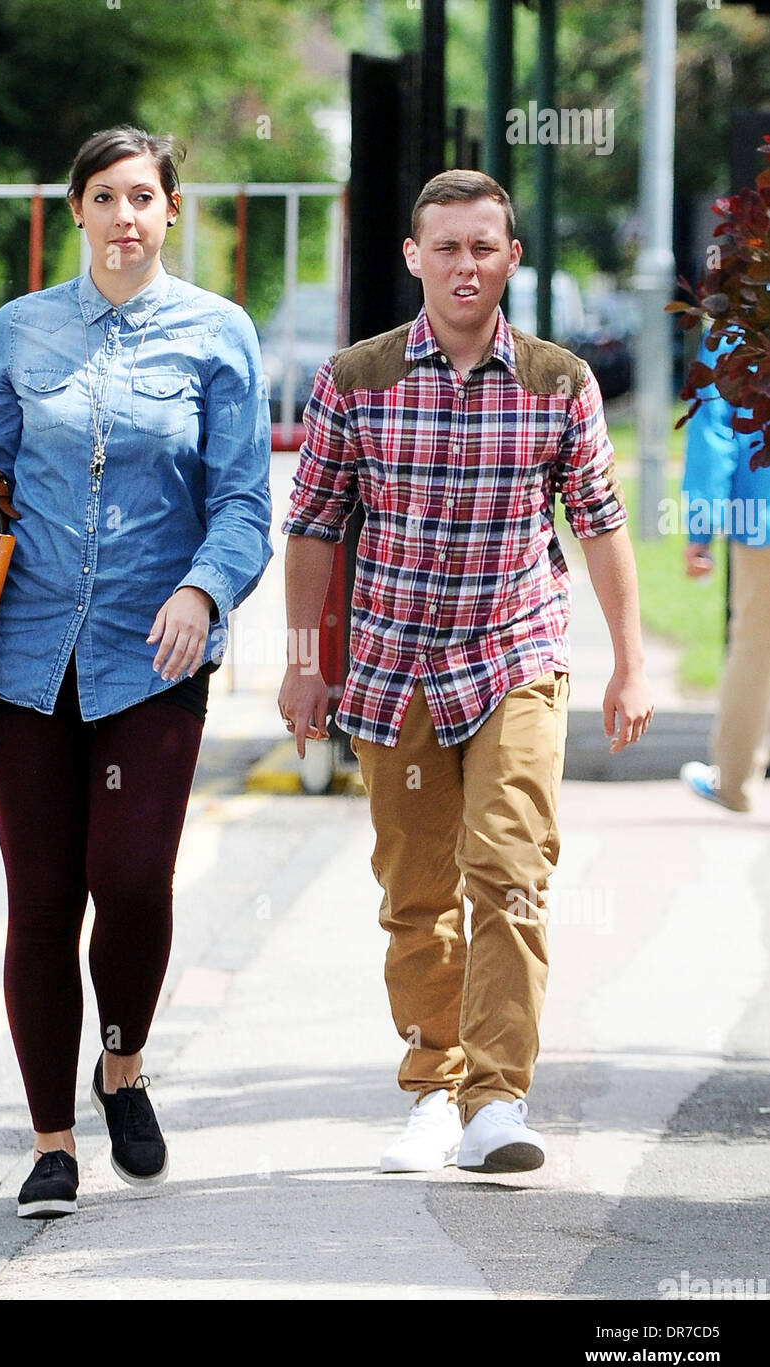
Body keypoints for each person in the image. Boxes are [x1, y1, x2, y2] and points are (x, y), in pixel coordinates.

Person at [0, 126, 272, 1217]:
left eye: (143, 198)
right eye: (103, 198)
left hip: (150, 655)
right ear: (76, 213)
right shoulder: (24, 327)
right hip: (20, 662)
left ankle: (122, 1065)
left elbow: (245, 498)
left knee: (130, 878)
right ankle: (52, 1143)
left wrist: (203, 589)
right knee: (42, 898)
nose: (124, 217)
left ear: (170, 213)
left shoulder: (220, 335)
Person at [278, 170, 653, 1175]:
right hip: (392, 667)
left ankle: (497, 1097)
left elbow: (601, 527)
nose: (464, 264)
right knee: (415, 893)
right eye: (445, 246)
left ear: (510, 259)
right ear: (412, 257)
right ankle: (432, 1088)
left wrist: (627, 663)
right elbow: (312, 527)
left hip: (515, 658)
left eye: (483, 246)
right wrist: (305, 666)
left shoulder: (557, 381)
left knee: (512, 869)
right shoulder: (353, 379)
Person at [678, 328, 770, 813]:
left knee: (756, 647)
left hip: (762, 513)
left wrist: (700, 527)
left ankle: (735, 781)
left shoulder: (740, 315)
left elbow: (714, 425)